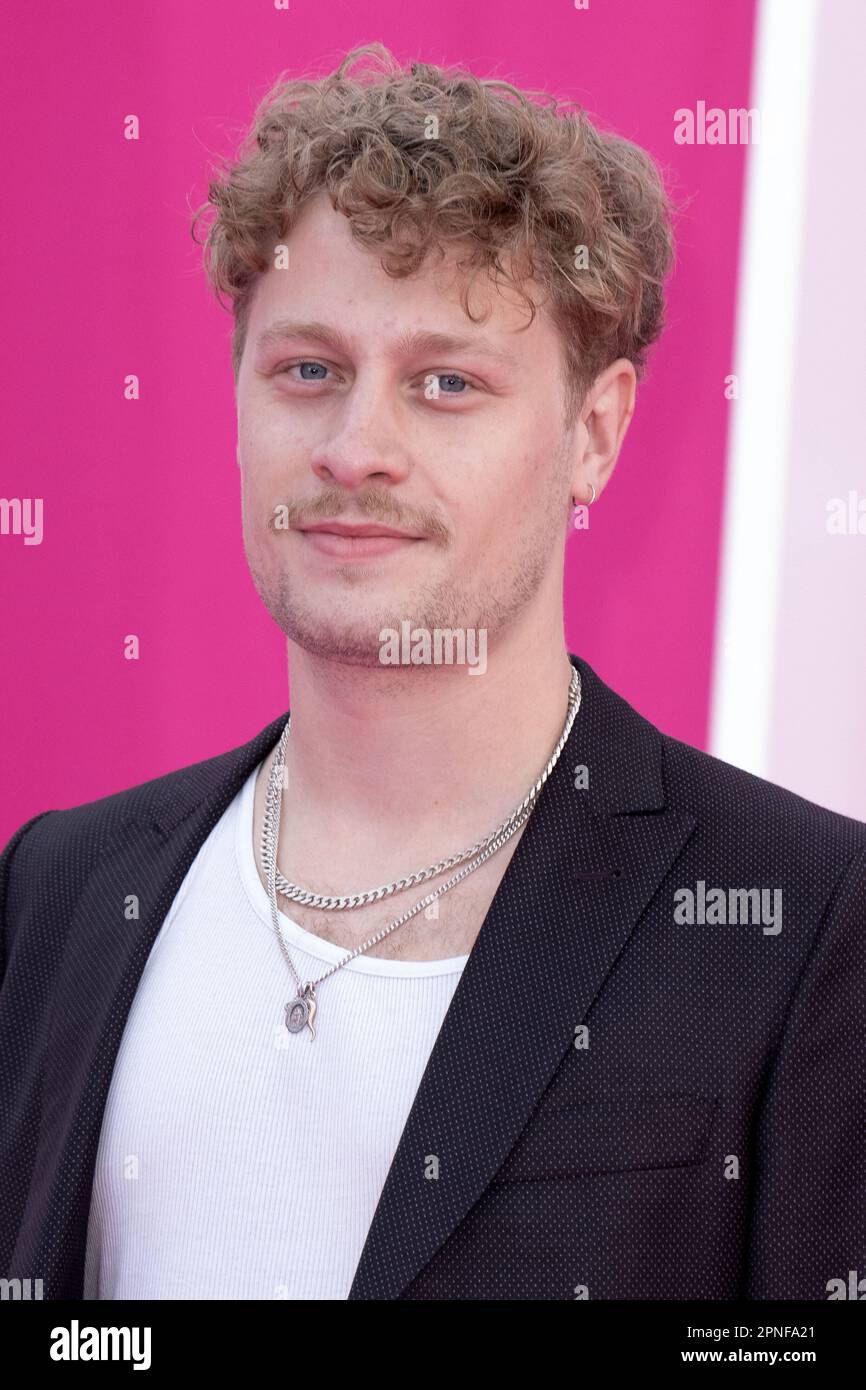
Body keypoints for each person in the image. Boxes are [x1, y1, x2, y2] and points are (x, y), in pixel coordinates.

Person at [2, 43, 864, 1302]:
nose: (357, 448)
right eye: (308, 371)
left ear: (593, 431)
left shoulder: (805, 918)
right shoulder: (61, 888)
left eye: (445, 384)